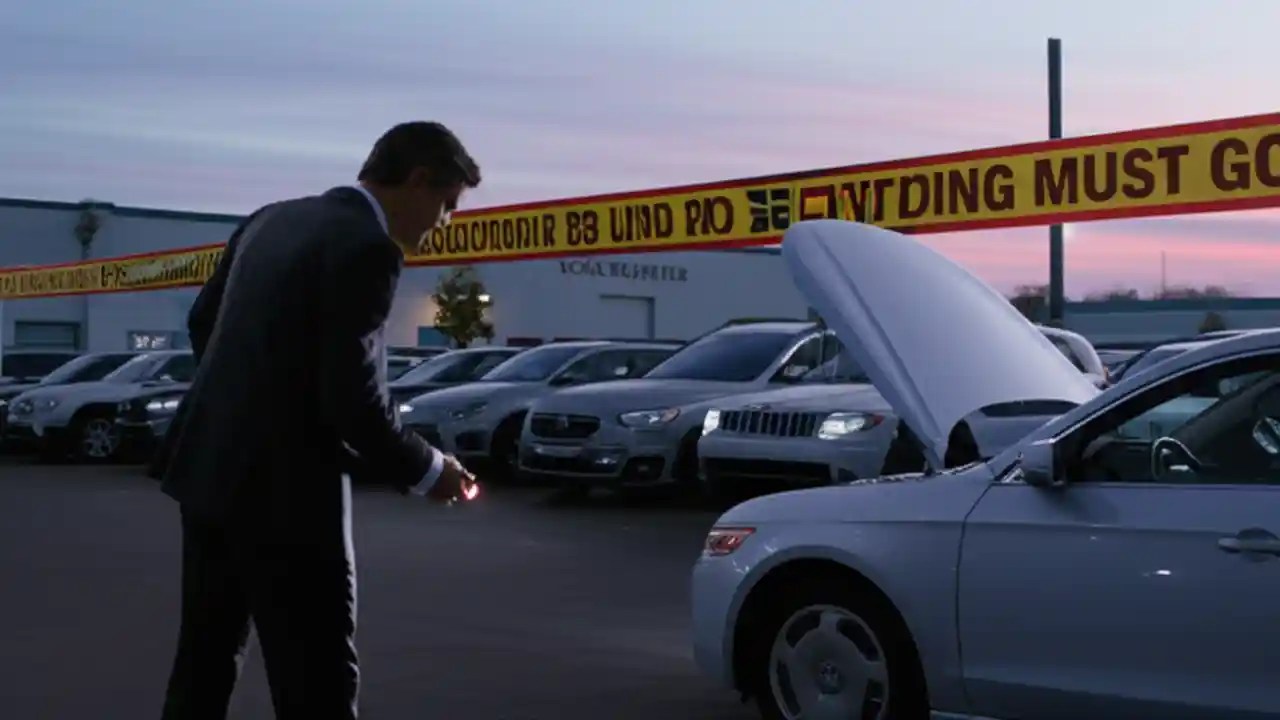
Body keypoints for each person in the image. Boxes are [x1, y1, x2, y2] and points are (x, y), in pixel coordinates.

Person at [149, 121, 482, 719]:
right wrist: (431, 470)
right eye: (446, 204)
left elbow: (205, 323)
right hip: (289, 495)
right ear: (418, 179)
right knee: (317, 678)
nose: (443, 225)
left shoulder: (270, 219)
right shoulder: (367, 248)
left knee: (203, 660)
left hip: (207, 470)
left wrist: (249, 401)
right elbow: (352, 400)